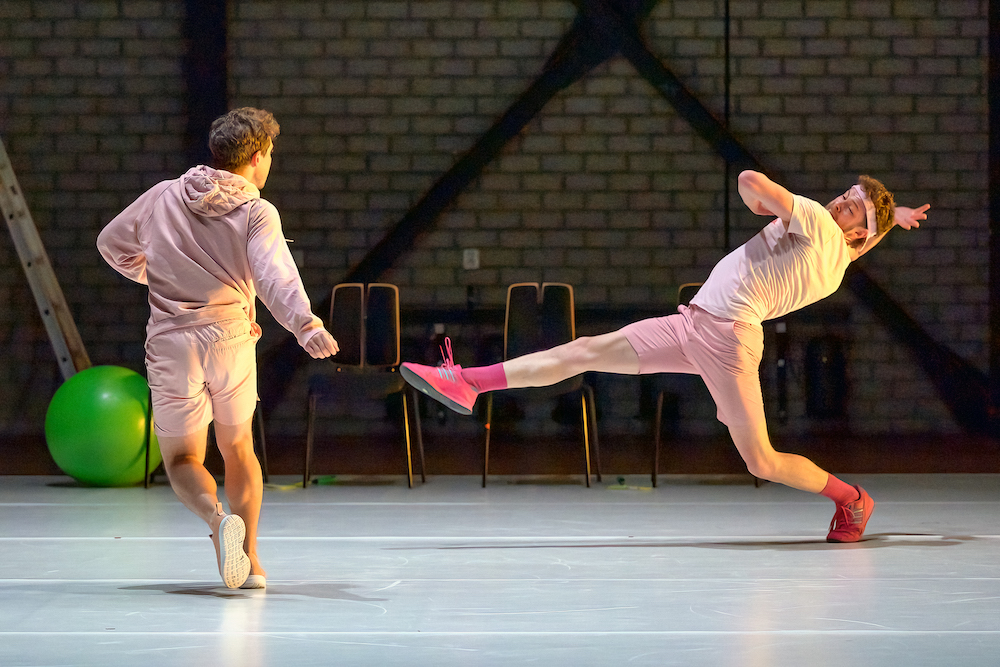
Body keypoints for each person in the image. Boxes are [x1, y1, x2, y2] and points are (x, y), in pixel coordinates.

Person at [401, 170, 929, 543]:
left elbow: (750, 181)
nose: (838, 203)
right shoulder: (839, 265)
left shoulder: (814, 220)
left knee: (761, 461)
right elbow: (857, 239)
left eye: (850, 207)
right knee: (584, 351)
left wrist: (763, 197)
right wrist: (891, 215)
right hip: (692, 324)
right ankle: (468, 381)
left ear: (856, 230)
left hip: (728, 342)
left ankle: (852, 498)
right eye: (844, 195)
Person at [98, 107, 339, 588]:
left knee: (183, 460)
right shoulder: (255, 210)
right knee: (237, 448)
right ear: (254, 156)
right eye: (270, 154)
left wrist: (155, 272)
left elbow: (111, 243)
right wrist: (307, 327)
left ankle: (215, 520)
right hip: (229, 338)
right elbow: (275, 278)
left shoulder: (163, 196)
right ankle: (250, 561)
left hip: (171, 344)